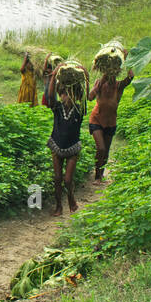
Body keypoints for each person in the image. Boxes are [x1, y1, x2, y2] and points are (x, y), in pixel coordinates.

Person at [43, 65, 85, 215]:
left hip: (72, 149)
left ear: (74, 96)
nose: (63, 97)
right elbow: (49, 96)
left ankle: (71, 199)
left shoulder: (80, 110)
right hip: (56, 146)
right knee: (57, 178)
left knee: (67, 180)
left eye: (66, 94)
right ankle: (59, 206)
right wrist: (54, 76)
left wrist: (84, 72)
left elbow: (85, 94)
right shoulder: (57, 108)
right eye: (62, 94)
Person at [87, 59, 134, 179]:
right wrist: (102, 80)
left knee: (106, 151)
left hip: (111, 122)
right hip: (96, 119)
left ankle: (101, 174)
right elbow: (90, 97)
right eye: (109, 74)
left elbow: (131, 77)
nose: (111, 77)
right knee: (101, 148)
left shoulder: (119, 86)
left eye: (113, 74)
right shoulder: (100, 83)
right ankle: (97, 175)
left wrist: (127, 59)